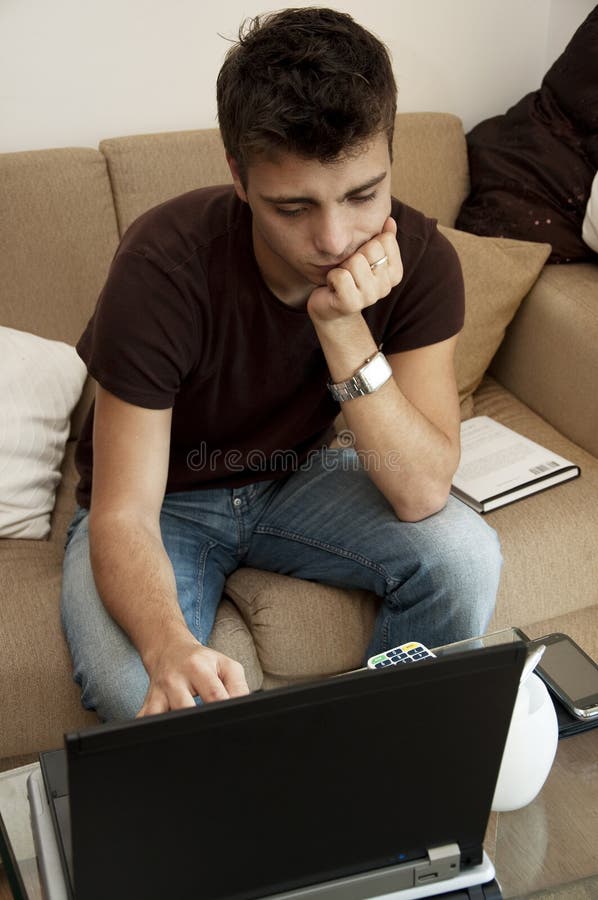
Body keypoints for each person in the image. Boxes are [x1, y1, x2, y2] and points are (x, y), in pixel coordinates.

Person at [61, 7, 502, 722]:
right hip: (166, 500)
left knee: (466, 556)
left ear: (390, 153)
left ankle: (378, 768)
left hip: (302, 480)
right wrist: (169, 647)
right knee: (136, 690)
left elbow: (422, 491)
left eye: (363, 195)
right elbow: (124, 513)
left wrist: (340, 324)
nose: (333, 238)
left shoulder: (424, 261)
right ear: (239, 176)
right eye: (293, 207)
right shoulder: (160, 265)